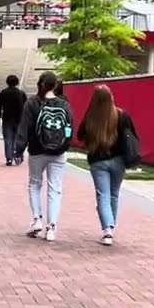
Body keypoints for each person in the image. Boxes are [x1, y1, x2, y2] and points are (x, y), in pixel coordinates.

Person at [14, 72, 73, 241]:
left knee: (34, 184)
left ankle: (37, 219)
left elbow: (24, 128)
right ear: (55, 85)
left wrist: (18, 150)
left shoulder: (32, 103)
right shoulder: (64, 104)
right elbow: (69, 127)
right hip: (58, 152)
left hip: (37, 150)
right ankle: (52, 227)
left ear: (39, 84)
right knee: (55, 188)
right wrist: (65, 144)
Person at [77, 85, 139, 246]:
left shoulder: (90, 116)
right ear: (111, 96)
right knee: (113, 194)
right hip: (118, 160)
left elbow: (80, 135)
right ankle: (111, 226)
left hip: (98, 161)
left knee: (102, 195)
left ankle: (107, 230)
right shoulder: (121, 115)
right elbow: (132, 135)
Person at [0, 74, 27, 166]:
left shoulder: (3, 93)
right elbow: (24, 107)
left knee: (8, 139)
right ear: (17, 82)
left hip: (7, 118)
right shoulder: (21, 93)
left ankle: (9, 158)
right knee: (17, 138)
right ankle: (17, 155)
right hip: (19, 119)